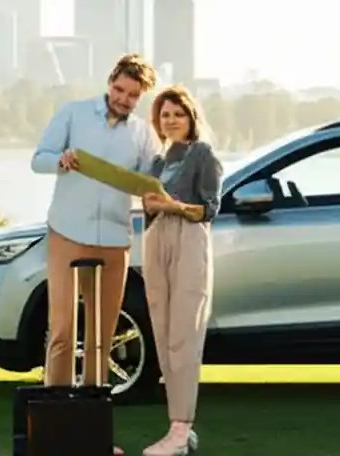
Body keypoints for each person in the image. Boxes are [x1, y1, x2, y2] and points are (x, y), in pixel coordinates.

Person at [30, 53, 160, 456]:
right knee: (64, 331)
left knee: (102, 338)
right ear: (110, 82)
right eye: (120, 89)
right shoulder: (73, 114)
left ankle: (93, 436)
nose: (123, 99)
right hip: (68, 232)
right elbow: (39, 160)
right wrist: (61, 161)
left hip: (115, 240)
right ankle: (52, 433)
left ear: (140, 97)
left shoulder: (141, 134)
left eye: (133, 95)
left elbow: (151, 183)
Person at [138, 85, 223, 456]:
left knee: (184, 336)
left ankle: (180, 427)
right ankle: (179, 430)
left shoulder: (202, 154)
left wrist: (175, 206)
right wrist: (153, 204)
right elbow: (151, 208)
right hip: (157, 239)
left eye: (177, 114)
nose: (170, 120)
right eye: (164, 115)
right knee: (162, 332)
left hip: (189, 239)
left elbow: (210, 208)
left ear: (190, 118)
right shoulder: (157, 162)